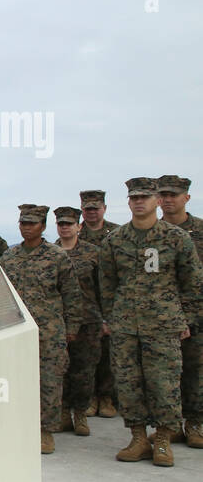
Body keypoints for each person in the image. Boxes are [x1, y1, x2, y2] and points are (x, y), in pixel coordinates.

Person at [100, 178, 203, 467]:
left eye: (145, 197)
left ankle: (162, 439)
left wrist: (186, 319)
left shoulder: (176, 238)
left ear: (156, 201)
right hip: (125, 326)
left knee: (164, 383)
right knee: (129, 383)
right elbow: (107, 284)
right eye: (134, 198)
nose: (139, 202)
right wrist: (111, 318)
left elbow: (193, 283)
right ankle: (138, 438)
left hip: (164, 325)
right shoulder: (115, 241)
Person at [0, 204, 82, 454]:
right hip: (15, 329)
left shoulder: (56, 257)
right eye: (23, 223)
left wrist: (73, 326)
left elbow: (71, 294)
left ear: (43, 227)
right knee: (13, 379)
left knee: (48, 382)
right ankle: (15, 427)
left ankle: (45, 431)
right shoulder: (9, 257)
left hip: (49, 331)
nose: (26, 228)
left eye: (32, 223)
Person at [157, 175, 203, 449]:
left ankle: (195, 424)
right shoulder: (152, 232)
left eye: (174, 194)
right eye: (163, 194)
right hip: (162, 314)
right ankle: (170, 425)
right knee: (164, 374)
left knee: (196, 371)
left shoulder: (200, 230)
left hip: (197, 313)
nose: (168, 199)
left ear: (186, 197)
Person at [53, 206, 104, 437]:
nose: (65, 228)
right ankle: (62, 413)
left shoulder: (93, 253)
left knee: (84, 370)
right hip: (58, 322)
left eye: (69, 224)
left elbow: (104, 287)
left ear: (79, 227)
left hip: (88, 320)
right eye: (61, 224)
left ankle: (80, 414)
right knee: (59, 370)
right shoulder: (50, 253)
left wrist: (106, 319)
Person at [79, 189, 121, 418]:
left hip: (110, 302)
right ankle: (90, 398)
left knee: (108, 355)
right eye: (87, 209)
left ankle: (107, 398)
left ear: (104, 208)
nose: (91, 213)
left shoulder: (116, 234)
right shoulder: (75, 233)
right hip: (85, 305)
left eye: (95, 208)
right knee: (87, 356)